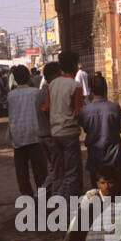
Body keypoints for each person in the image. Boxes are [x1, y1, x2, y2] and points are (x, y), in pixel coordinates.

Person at [44, 50, 83, 201]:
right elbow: (79, 112)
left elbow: (46, 108)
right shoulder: (75, 85)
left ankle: (58, 198)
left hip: (55, 133)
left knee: (59, 171)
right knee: (72, 172)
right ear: (74, 65)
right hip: (69, 133)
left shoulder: (52, 84)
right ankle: (62, 201)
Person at [79, 73, 121, 187]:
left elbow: (86, 129)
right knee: (119, 188)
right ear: (105, 89)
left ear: (91, 91)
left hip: (95, 155)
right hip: (115, 155)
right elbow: (119, 128)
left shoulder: (85, 110)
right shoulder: (115, 107)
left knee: (98, 189)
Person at [6, 64, 47, 197]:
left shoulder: (11, 95)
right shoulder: (36, 92)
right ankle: (44, 199)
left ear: (15, 79)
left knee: (22, 172)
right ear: (29, 77)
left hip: (18, 136)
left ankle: (27, 199)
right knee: (40, 171)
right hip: (35, 135)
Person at [37, 61, 62, 194]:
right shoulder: (50, 92)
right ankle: (50, 196)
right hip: (51, 136)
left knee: (54, 168)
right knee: (58, 171)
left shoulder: (40, 92)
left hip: (43, 134)